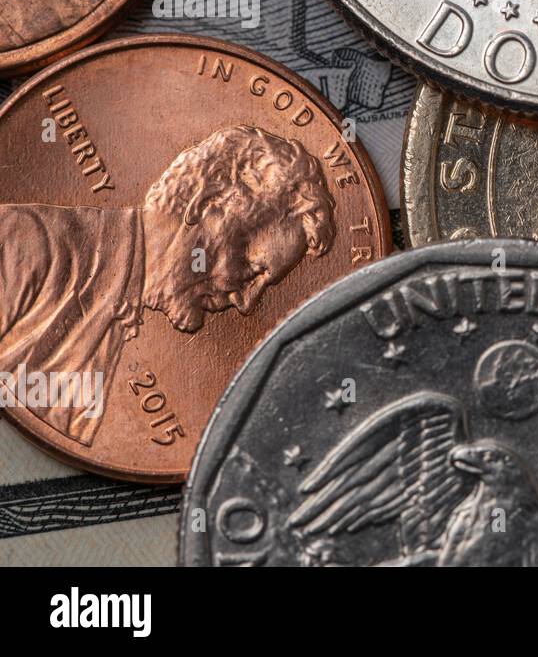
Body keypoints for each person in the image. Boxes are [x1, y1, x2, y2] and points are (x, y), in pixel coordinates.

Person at [0, 125, 336, 445]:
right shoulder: (21, 241)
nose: (247, 302)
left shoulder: (119, 314)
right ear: (208, 206)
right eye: (251, 267)